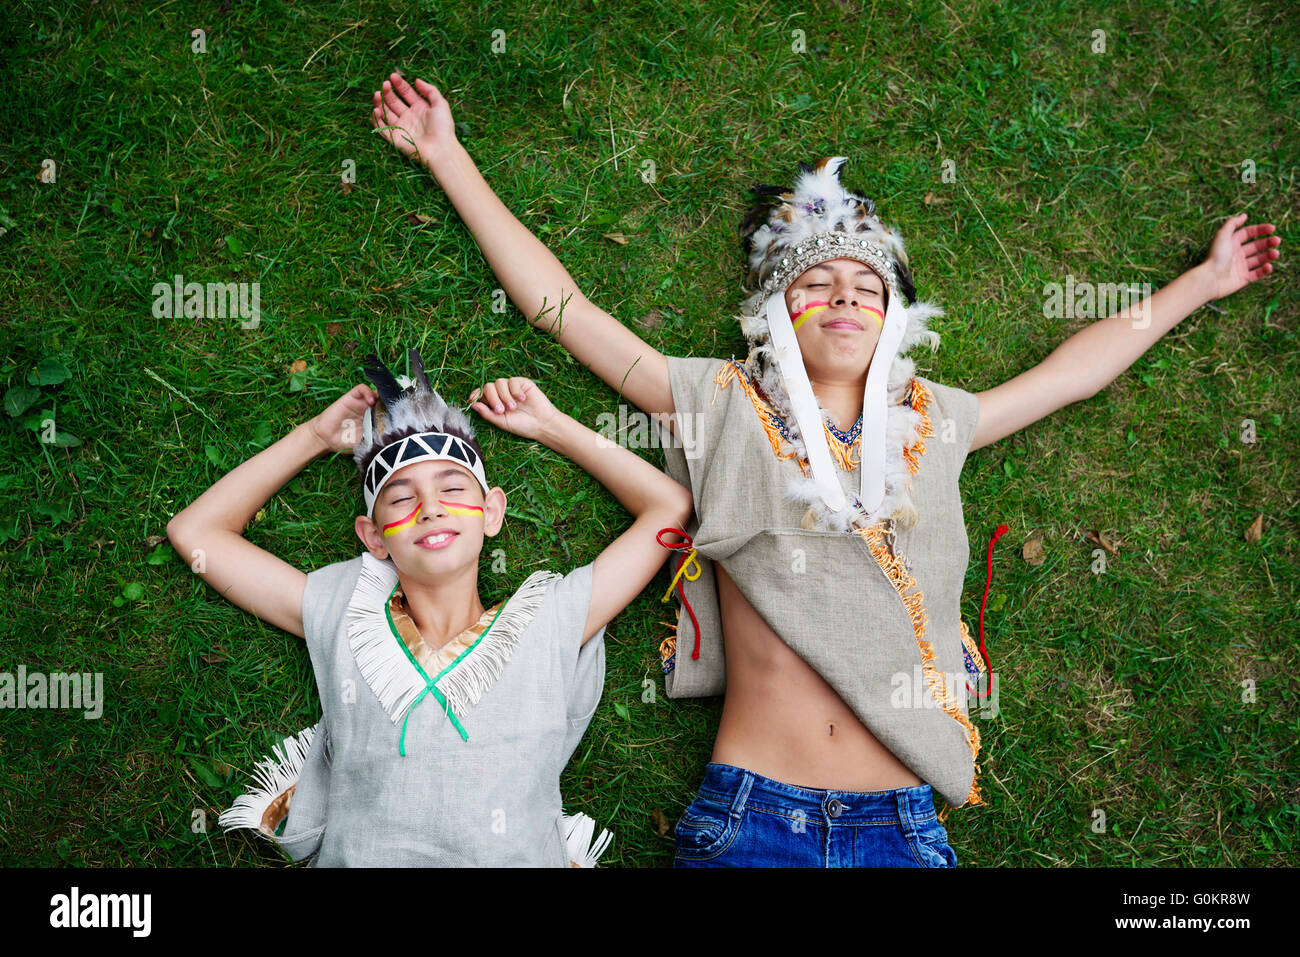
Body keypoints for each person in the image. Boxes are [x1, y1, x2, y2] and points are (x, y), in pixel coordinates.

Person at [369, 72, 1280, 867]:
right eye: (814, 283)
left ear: (894, 323)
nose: (843, 293)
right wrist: (449, 158)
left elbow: (1068, 376)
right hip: (751, 816)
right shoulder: (721, 403)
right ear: (774, 315)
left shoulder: (939, 422)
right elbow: (564, 309)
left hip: (901, 822)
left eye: (867, 285)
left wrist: (1200, 282)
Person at [166, 350, 693, 866]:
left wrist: (551, 425)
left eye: (453, 487)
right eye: (400, 498)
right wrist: (315, 438)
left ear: (491, 513)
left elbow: (668, 508)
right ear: (373, 537)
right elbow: (196, 533)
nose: (431, 507)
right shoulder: (347, 620)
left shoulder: (549, 619)